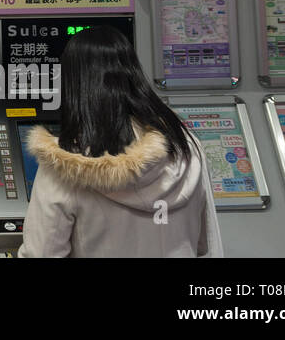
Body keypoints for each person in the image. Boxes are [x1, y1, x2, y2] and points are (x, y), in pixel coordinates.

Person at [18, 25, 223, 258]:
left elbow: (42, 252)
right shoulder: (183, 147)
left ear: (73, 84)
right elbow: (203, 243)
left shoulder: (66, 164)